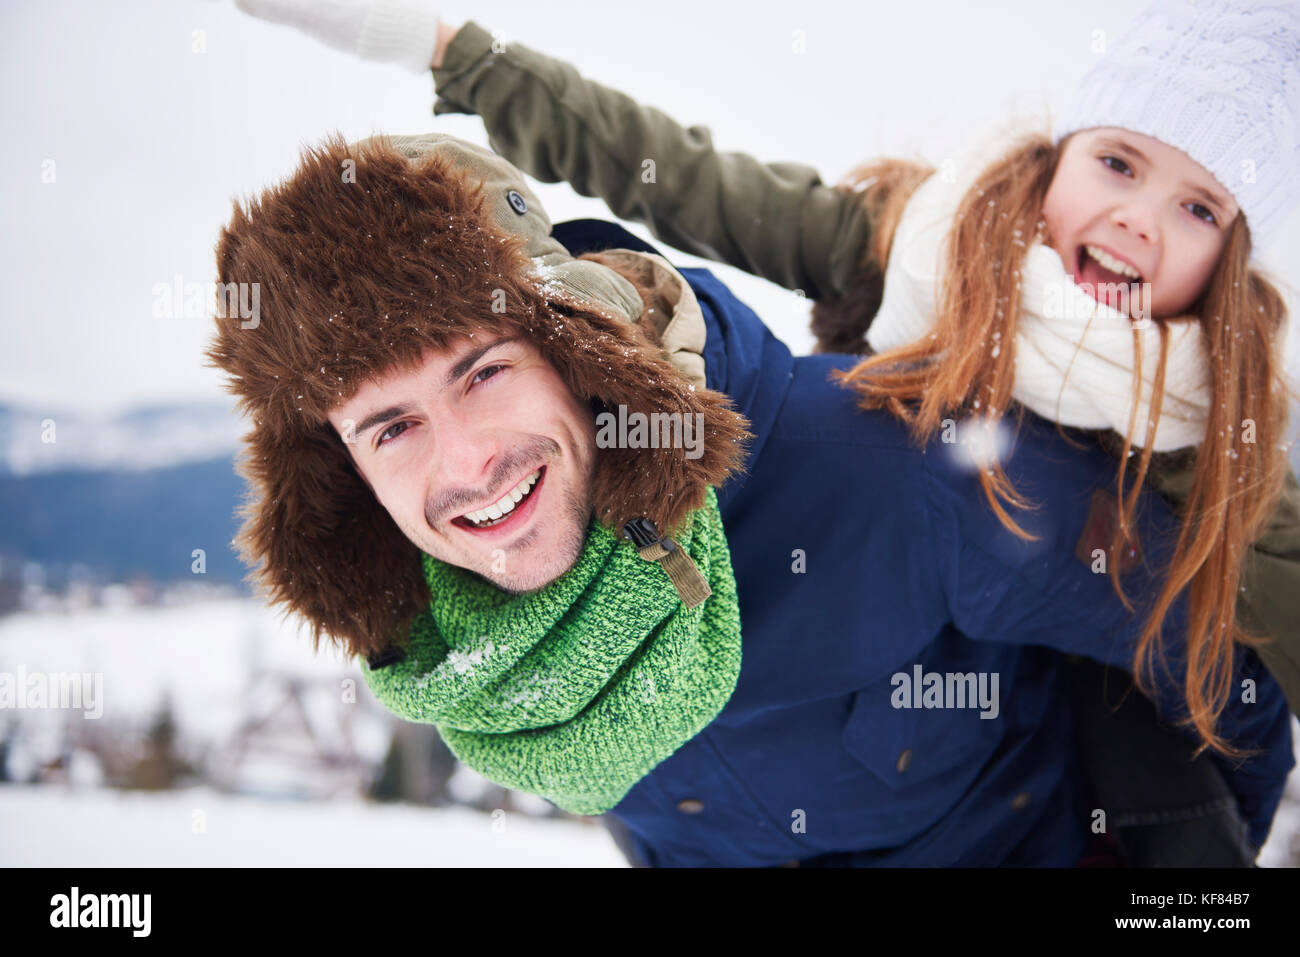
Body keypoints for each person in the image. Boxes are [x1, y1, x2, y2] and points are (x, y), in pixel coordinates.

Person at [203, 129, 1292, 867]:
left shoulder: (895, 465)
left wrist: (1180, 858)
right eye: (389, 428)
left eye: (483, 372)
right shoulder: (444, 617)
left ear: (575, 341)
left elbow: (1205, 633)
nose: (469, 464)